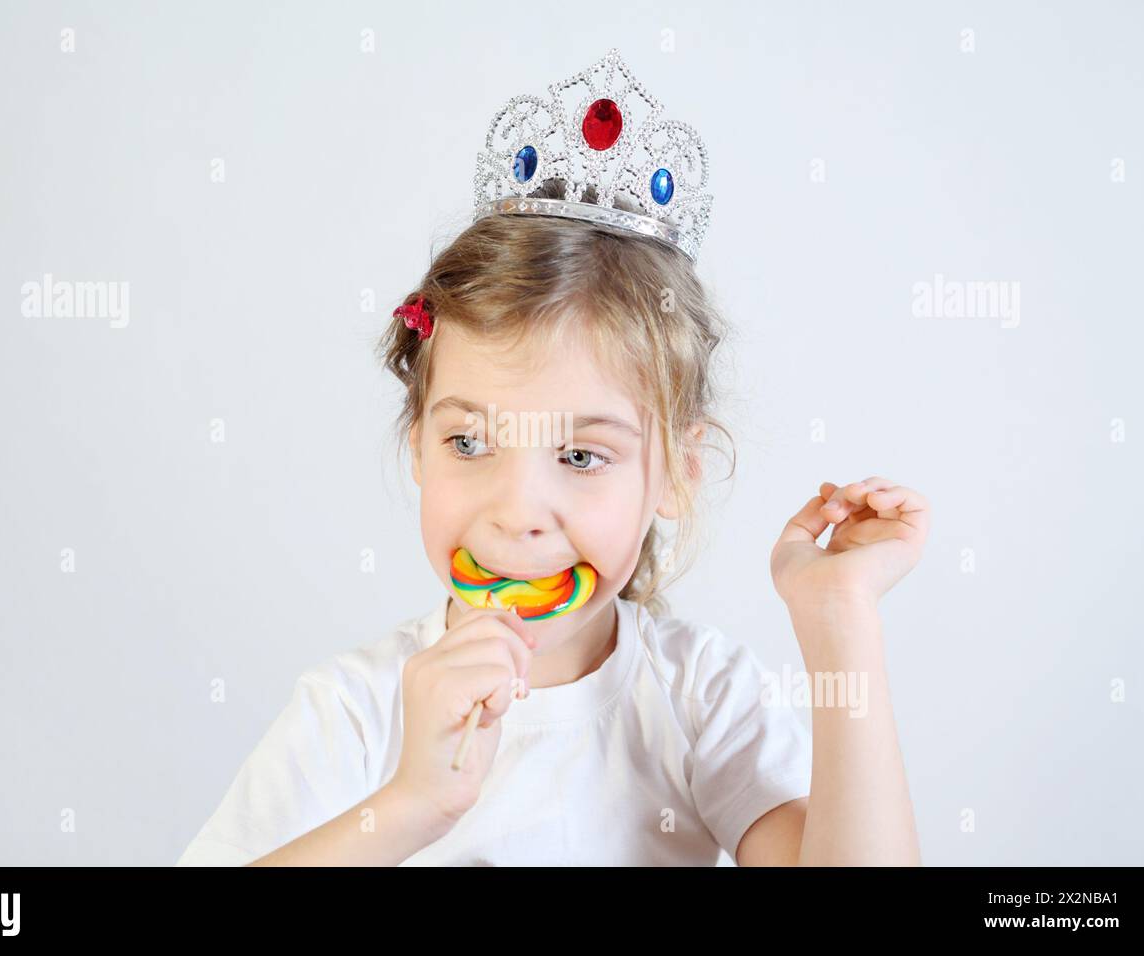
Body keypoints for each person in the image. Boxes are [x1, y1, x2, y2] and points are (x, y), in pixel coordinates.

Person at [176, 49, 928, 867]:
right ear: (417, 445)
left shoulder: (696, 697)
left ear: (677, 472)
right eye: (469, 442)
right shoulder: (354, 713)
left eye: (579, 454)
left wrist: (838, 619)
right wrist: (410, 805)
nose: (516, 510)